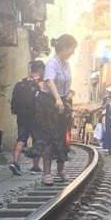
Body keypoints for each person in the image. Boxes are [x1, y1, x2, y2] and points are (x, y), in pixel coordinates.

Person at [37, 35, 76, 186]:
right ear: (65, 47)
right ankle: (47, 173)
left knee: (62, 136)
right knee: (48, 136)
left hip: (62, 101)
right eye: (72, 48)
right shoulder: (52, 62)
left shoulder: (66, 64)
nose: (73, 52)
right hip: (48, 102)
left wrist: (65, 98)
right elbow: (49, 81)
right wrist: (57, 99)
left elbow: (65, 83)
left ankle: (60, 169)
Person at [9, 59, 44, 176]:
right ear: (40, 70)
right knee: (37, 141)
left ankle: (15, 162)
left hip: (22, 116)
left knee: (21, 139)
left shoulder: (21, 83)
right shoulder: (40, 84)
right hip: (35, 117)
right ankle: (35, 167)